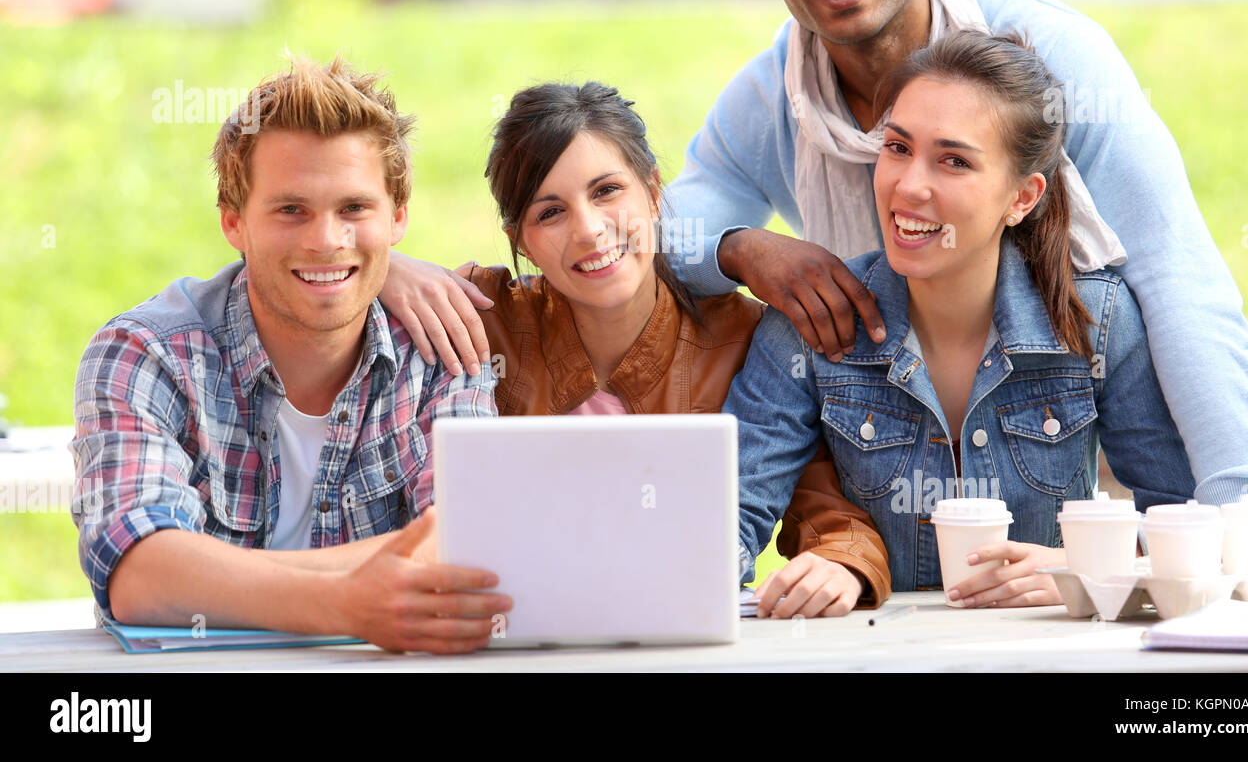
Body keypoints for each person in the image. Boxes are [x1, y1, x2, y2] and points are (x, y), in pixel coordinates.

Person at [659, 0, 1248, 580]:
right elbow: (670, 228)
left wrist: (1240, 513)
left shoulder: (1056, 59)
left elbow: (1177, 275)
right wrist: (743, 247)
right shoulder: (770, 99)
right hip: (874, 450)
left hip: (1059, 391)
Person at [729, 29, 1201, 608]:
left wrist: (1078, 568)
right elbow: (725, 520)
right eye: (897, 148)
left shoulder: (1095, 322)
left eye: (953, 161)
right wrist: (829, 571)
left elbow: (1187, 529)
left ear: (1022, 198)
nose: (909, 186)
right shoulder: (811, 326)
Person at [383, 81, 891, 615]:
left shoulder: (747, 340)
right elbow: (330, 280)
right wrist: (386, 269)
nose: (589, 230)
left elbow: (834, 518)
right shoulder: (480, 320)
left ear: (653, 192)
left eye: (606, 191)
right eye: (549, 213)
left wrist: (841, 563)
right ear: (521, 239)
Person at [70, 55, 510, 654]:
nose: (326, 240)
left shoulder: (441, 349)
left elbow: (464, 548)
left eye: (354, 208)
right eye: (290, 210)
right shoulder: (146, 355)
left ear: (398, 218)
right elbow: (141, 574)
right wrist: (345, 604)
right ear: (233, 222)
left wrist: (206, 578)